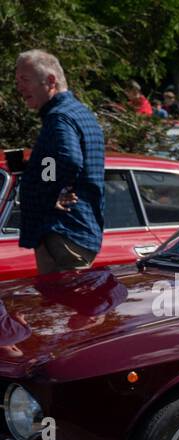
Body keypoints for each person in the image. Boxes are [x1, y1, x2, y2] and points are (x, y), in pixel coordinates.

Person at [14, 50, 106, 275]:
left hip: (63, 234)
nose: (19, 87)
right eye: (17, 82)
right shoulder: (79, 113)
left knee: (64, 308)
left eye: (25, 80)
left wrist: (49, 191)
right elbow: (59, 160)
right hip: (77, 233)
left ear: (51, 81)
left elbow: (69, 159)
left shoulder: (58, 117)